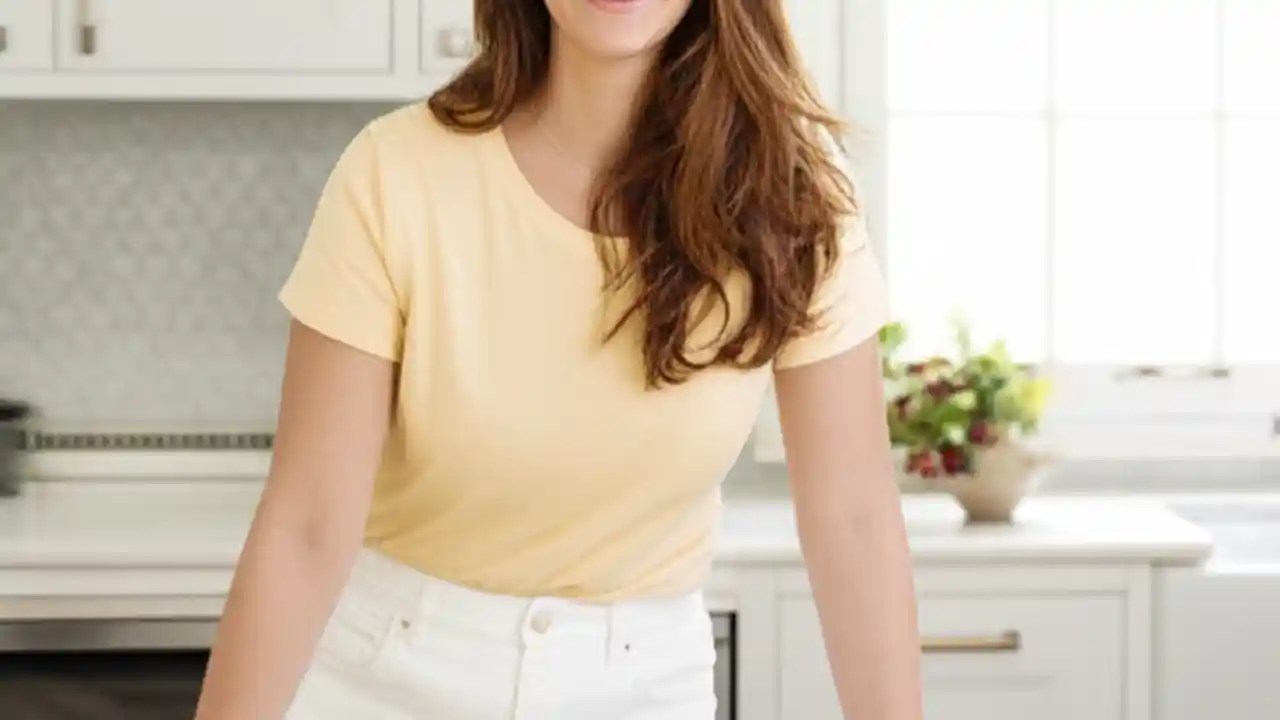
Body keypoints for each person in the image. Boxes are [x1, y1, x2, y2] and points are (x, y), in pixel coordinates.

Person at [194, 0, 922, 718]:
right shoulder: (393, 174)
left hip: (643, 685)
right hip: (384, 678)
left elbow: (853, 516)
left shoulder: (794, 194)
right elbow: (308, 527)